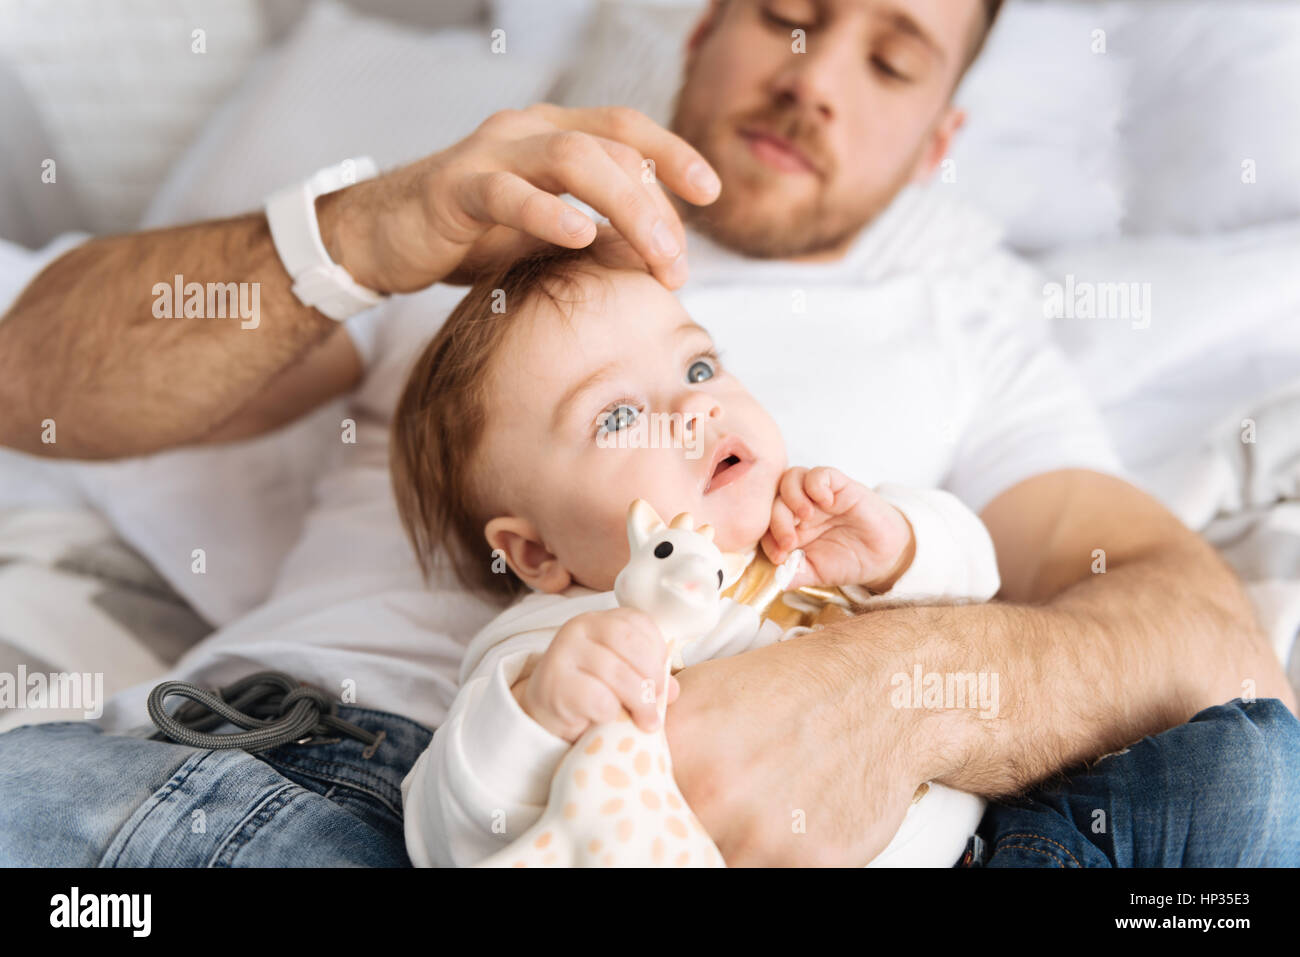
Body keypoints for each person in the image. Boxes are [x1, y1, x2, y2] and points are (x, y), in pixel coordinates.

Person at [0, 0, 1295, 867]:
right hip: (216, 748)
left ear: (942, 135)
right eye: (786, 14)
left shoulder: (971, 326)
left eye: (891, 59)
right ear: (703, 25)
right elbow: (25, 379)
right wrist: (359, 238)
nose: (812, 80)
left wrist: (884, 691)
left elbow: (1206, 640)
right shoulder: (488, 217)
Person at [386, 248, 1001, 866]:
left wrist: (898, 551)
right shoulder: (554, 648)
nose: (693, 408)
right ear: (536, 552)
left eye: (699, 368)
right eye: (620, 416)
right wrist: (540, 716)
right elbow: (442, 838)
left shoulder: (828, 520)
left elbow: (985, 596)